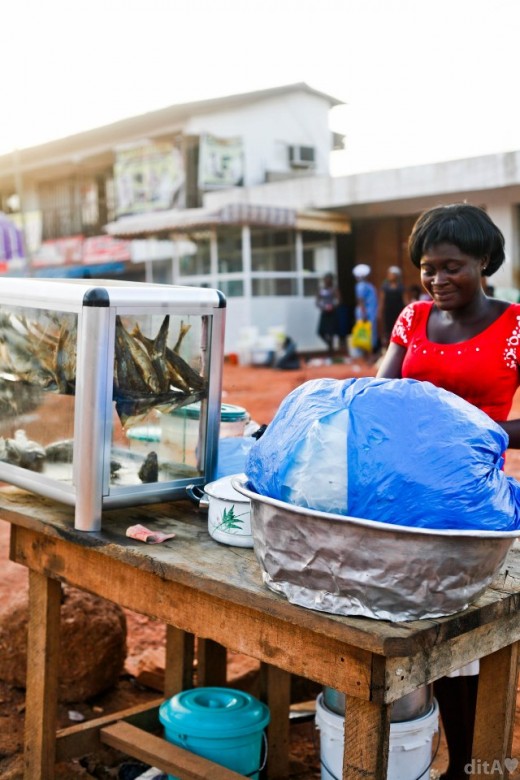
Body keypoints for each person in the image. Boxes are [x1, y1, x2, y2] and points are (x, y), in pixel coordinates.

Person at [376, 203, 520, 780]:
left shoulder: (515, 327)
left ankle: (467, 761)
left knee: (469, 637)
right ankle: (419, 752)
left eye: (451, 266)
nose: (437, 280)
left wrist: (472, 432)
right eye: (428, 268)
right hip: (403, 502)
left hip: (470, 505)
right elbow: (379, 396)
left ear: (484, 261)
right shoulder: (411, 319)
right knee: (413, 631)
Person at [352, 263, 378, 354]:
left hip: (369, 312)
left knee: (369, 333)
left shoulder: (366, 285)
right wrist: (363, 314)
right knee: (366, 334)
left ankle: (368, 355)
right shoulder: (361, 286)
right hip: (366, 313)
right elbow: (361, 301)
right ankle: (366, 355)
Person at [379, 265, 405, 348]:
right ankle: (388, 348)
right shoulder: (385, 287)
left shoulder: (401, 287)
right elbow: (382, 301)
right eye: (389, 274)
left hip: (398, 312)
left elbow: (405, 301)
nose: (390, 276)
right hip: (388, 312)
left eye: (392, 274)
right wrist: (380, 311)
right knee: (388, 330)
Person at [316, 272, 339, 352]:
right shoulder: (321, 289)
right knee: (320, 332)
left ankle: (331, 350)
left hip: (332, 313)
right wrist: (322, 307)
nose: (327, 281)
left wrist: (333, 306)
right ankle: (329, 344)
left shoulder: (334, 289)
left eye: (329, 279)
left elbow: (339, 300)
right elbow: (317, 301)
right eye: (326, 279)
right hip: (324, 312)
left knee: (331, 333)